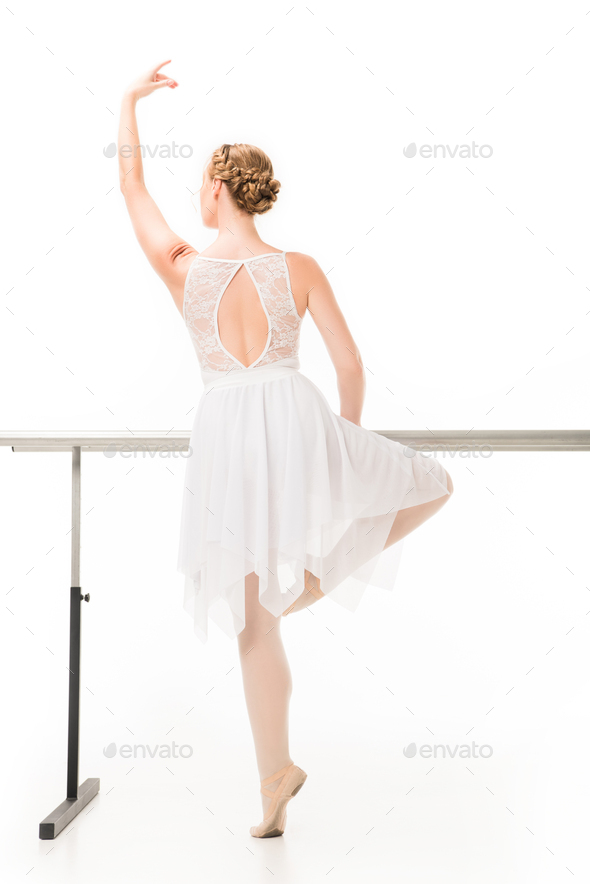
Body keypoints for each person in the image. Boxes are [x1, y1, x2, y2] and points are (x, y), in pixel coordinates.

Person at [119, 60, 454, 839]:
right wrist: (346, 449)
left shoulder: (186, 270)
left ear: (217, 189)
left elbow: (131, 190)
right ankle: (310, 584)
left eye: (201, 182)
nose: (194, 196)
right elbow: (349, 366)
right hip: (295, 422)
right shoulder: (297, 268)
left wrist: (128, 103)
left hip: (225, 438)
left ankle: (274, 774)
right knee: (429, 483)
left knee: (251, 624)